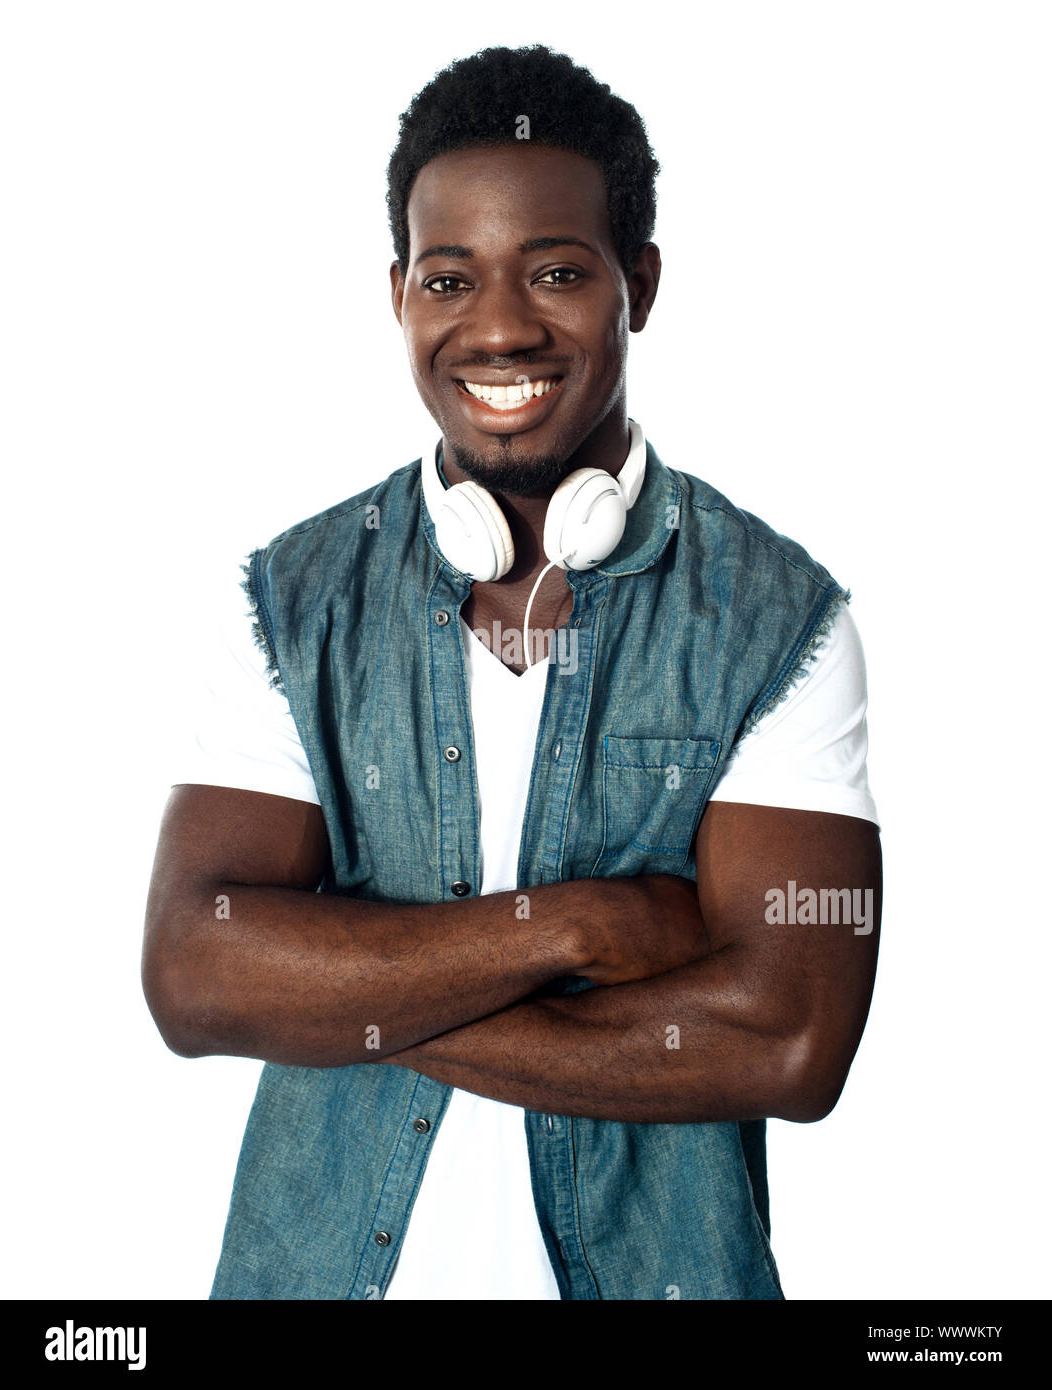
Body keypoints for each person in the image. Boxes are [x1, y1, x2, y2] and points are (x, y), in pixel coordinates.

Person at [143, 44, 882, 1301]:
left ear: (635, 284)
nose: (497, 326)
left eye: (555, 271)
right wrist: (591, 923)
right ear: (399, 294)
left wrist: (333, 991)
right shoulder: (295, 598)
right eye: (449, 277)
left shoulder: (772, 617)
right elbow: (198, 971)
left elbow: (788, 1039)